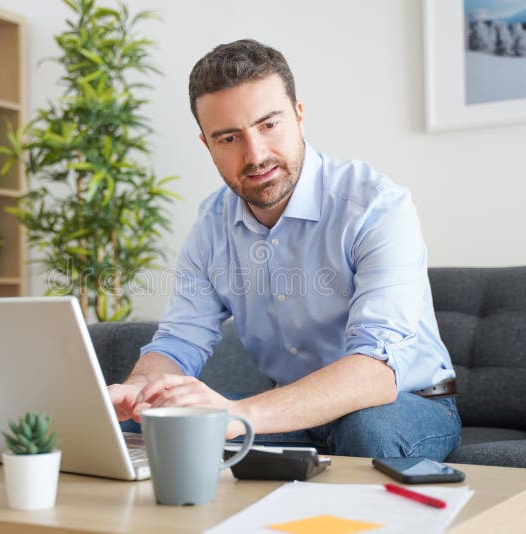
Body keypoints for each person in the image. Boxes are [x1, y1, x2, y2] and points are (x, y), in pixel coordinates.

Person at [108, 39, 461, 460]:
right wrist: (136, 391)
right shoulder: (211, 226)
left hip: (402, 403)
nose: (255, 154)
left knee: (368, 430)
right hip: (289, 409)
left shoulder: (376, 206)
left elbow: (377, 371)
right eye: (229, 138)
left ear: (298, 116)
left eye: (268, 125)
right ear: (207, 145)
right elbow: (180, 340)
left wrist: (237, 415)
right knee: (147, 420)